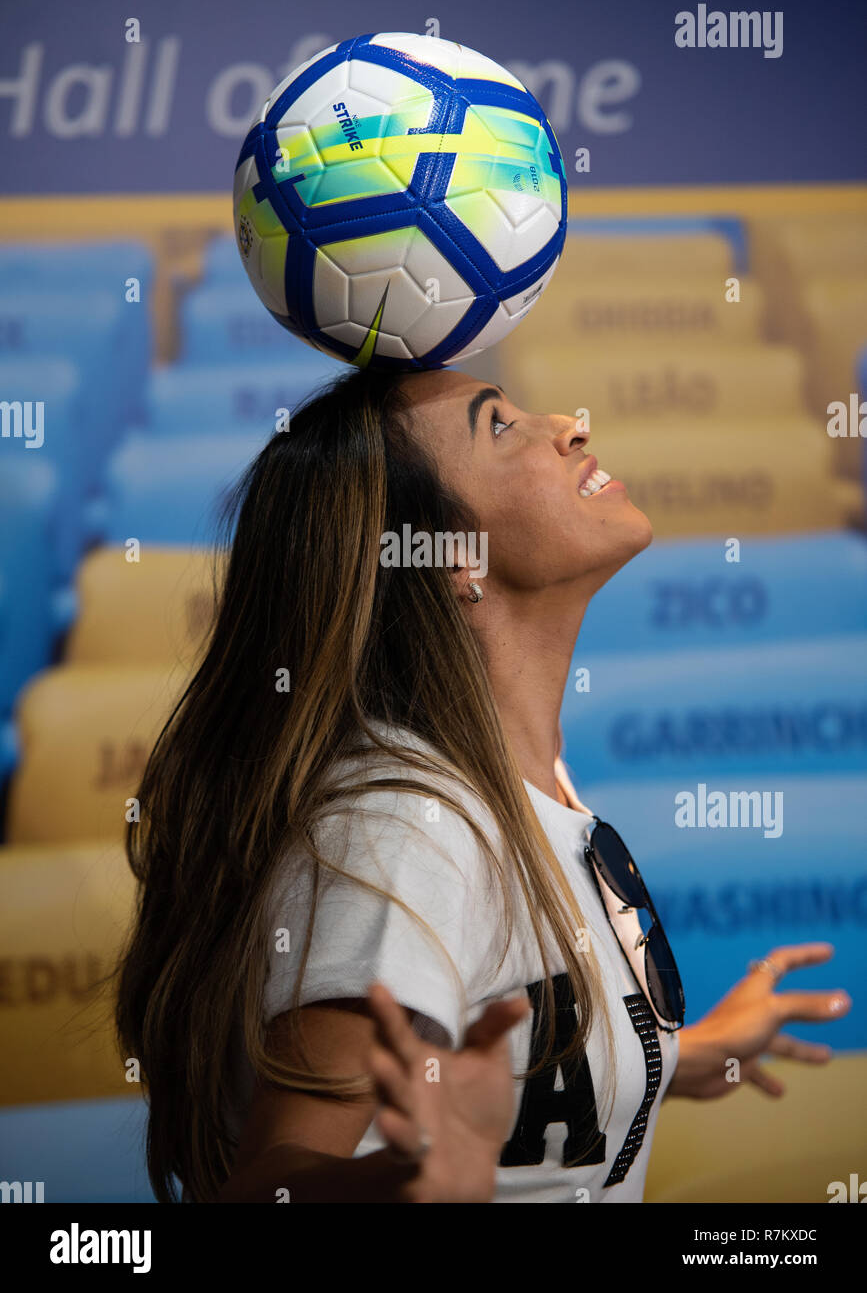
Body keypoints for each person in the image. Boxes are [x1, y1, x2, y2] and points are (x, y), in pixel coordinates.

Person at [114, 366, 850, 1203]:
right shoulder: (405, 829)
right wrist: (413, 1179)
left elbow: (521, 1084)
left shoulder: (518, 775)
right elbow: (269, 1186)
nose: (570, 423)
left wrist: (675, 1056)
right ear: (453, 563)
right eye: (499, 428)